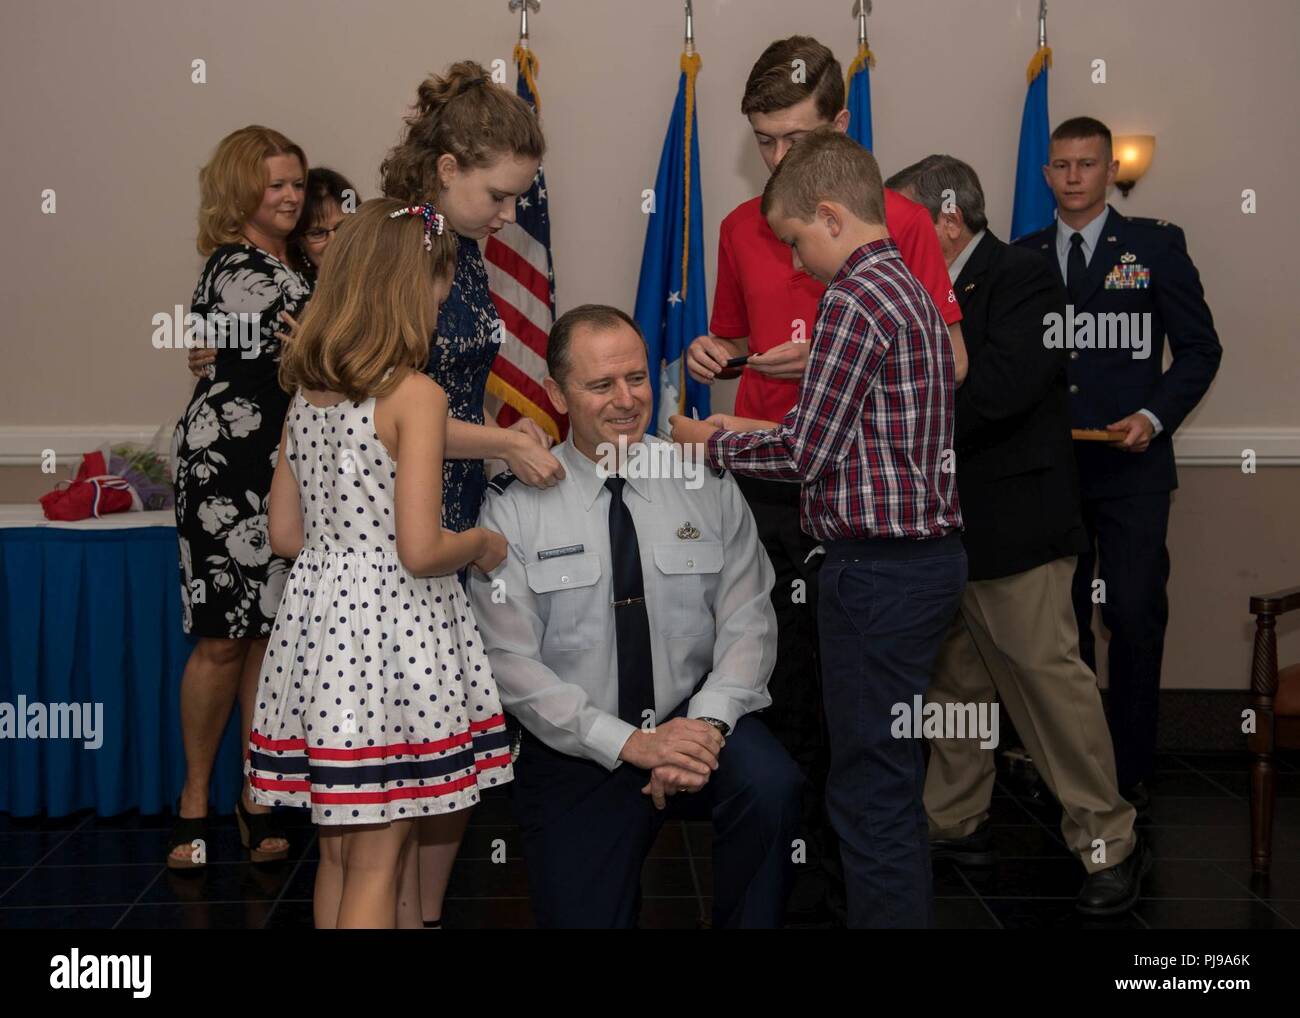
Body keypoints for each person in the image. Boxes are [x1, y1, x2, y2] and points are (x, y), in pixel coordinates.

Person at [684, 34, 965, 922]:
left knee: (872, 789)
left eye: (800, 242)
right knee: (859, 762)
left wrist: (711, 440)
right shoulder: (896, 287)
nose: (797, 263)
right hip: (906, 556)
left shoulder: (856, 291)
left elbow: (810, 449)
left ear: (834, 214)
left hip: (874, 566)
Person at [468, 304, 801, 929]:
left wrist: (701, 730)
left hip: (696, 719)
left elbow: (748, 617)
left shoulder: (702, 479)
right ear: (555, 393)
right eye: (600, 385)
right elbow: (511, 664)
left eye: (637, 378)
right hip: (581, 742)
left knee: (772, 788)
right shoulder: (515, 509)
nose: (626, 400)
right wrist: (632, 744)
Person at [887, 154, 1149, 915]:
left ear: (945, 217)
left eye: (902, 223)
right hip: (940, 528)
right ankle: (955, 820)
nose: (891, 239)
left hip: (1017, 528)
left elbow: (1001, 391)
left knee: (1047, 684)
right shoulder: (918, 289)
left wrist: (900, 422)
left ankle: (1108, 839)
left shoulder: (1025, 276)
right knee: (954, 685)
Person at [247, 198, 513, 929]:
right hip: (393, 639)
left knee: (339, 857)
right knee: (379, 862)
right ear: (408, 287)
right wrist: (484, 544)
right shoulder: (415, 396)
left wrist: (345, 558)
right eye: (439, 286)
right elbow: (422, 548)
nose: (441, 303)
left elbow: (284, 533)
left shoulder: (309, 392)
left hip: (320, 628)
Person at [380, 60, 565, 928]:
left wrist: (495, 439)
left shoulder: (462, 251)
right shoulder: (394, 250)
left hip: (455, 508)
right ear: (446, 168)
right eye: (497, 195)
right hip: (399, 522)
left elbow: (456, 390)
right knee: (402, 757)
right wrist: (504, 440)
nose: (506, 215)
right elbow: (387, 415)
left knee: (447, 750)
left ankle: (422, 915)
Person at [1016, 117, 1222, 808]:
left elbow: (1200, 349)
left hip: (1132, 472)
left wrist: (1154, 417)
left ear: (1110, 173)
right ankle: (1070, 771)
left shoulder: (1155, 246)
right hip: (1051, 474)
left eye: (1087, 164)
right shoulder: (1024, 255)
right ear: (1047, 175)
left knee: (1133, 615)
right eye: (1062, 165)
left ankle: (1129, 768)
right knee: (1059, 626)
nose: (1073, 176)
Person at [168, 126, 311, 869]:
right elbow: (311, 355)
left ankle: (258, 792)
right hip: (226, 465)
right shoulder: (235, 265)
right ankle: (195, 797)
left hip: (289, 468)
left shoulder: (302, 259)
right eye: (273, 184)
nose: (288, 195)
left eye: (295, 181)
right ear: (238, 190)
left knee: (268, 634)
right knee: (224, 637)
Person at [187, 168, 359, 383]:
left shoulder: (381, 282)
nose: (336, 242)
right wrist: (214, 348)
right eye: (318, 233)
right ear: (297, 241)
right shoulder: (285, 294)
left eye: (345, 227)